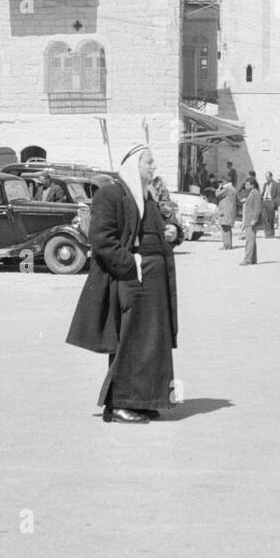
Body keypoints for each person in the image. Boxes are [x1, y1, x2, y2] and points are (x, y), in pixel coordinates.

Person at [66, 144, 178, 424]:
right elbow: (102, 239)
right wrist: (131, 266)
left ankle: (143, 400)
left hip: (155, 282)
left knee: (153, 342)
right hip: (133, 279)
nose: (154, 167)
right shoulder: (111, 194)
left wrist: (173, 232)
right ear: (133, 165)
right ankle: (119, 405)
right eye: (149, 162)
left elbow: (160, 227)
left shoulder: (147, 195)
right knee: (131, 340)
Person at [239, 175, 261, 265]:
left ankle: (247, 259)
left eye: (248, 185)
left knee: (249, 240)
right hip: (249, 219)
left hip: (251, 220)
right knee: (252, 240)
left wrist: (254, 219)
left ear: (252, 185)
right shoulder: (252, 192)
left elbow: (257, 208)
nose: (246, 187)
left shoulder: (255, 193)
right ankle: (253, 259)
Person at [215, 178, 237, 249]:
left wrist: (219, 187)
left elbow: (217, 195)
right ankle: (229, 245)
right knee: (228, 228)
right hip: (230, 210)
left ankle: (226, 245)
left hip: (225, 210)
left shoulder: (227, 188)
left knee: (224, 228)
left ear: (225, 181)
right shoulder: (233, 188)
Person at [260, 171, 278, 238]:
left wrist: (274, 203)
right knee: (265, 218)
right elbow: (263, 192)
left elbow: (277, 194)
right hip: (264, 201)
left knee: (271, 218)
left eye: (267, 177)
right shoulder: (265, 184)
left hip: (271, 201)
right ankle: (267, 233)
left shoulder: (276, 184)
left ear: (271, 177)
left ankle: (271, 233)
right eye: (266, 177)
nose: (266, 178)